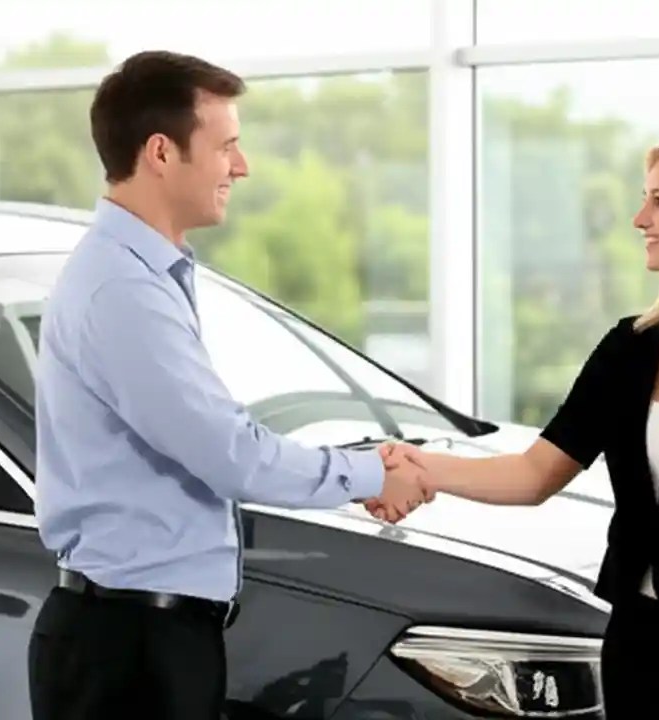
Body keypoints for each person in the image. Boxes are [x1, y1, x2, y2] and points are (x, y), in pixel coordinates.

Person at [375, 135, 659, 719]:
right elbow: (534, 473)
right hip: (635, 642)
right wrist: (424, 467)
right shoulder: (629, 348)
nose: (639, 218)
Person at [27, 50, 432, 720]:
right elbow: (229, 453)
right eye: (227, 147)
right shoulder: (123, 289)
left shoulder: (143, 275)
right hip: (128, 649)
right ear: (162, 152)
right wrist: (369, 474)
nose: (240, 167)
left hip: (144, 636)